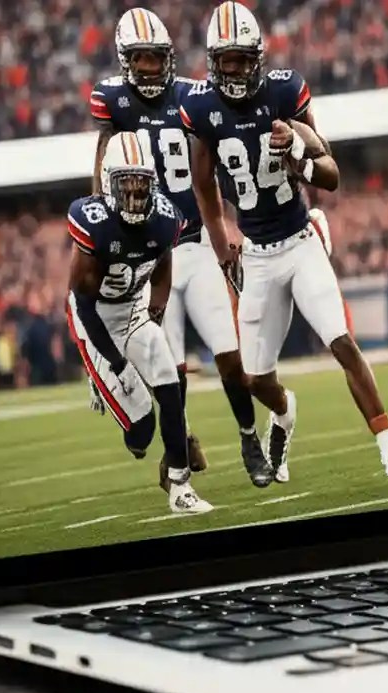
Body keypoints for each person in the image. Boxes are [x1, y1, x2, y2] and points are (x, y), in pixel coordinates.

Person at [180, 1, 388, 491]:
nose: (235, 70)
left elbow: (330, 172)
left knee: (342, 343)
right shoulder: (202, 110)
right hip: (256, 256)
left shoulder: (285, 92)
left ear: (258, 57)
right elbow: (203, 184)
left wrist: (297, 155)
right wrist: (220, 236)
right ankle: (286, 416)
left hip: (299, 242)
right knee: (253, 378)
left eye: (242, 59)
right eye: (226, 61)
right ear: (212, 62)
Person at [90, 7, 271, 487]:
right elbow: (104, 165)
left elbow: (211, 166)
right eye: (141, 58)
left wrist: (227, 223)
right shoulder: (114, 103)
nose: (149, 67)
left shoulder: (194, 96)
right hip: (151, 254)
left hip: (193, 244)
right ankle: (180, 448)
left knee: (230, 356)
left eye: (156, 57)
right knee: (169, 366)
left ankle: (249, 436)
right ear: (125, 60)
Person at [66, 131, 213, 515]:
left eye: (141, 186)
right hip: (94, 320)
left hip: (132, 308)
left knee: (170, 382)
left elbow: (163, 262)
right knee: (141, 433)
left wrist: (157, 308)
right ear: (108, 182)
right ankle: (100, 381)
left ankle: (180, 488)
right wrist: (118, 365)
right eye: (125, 187)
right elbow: (83, 303)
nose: (134, 197)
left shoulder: (164, 218)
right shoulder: (93, 222)